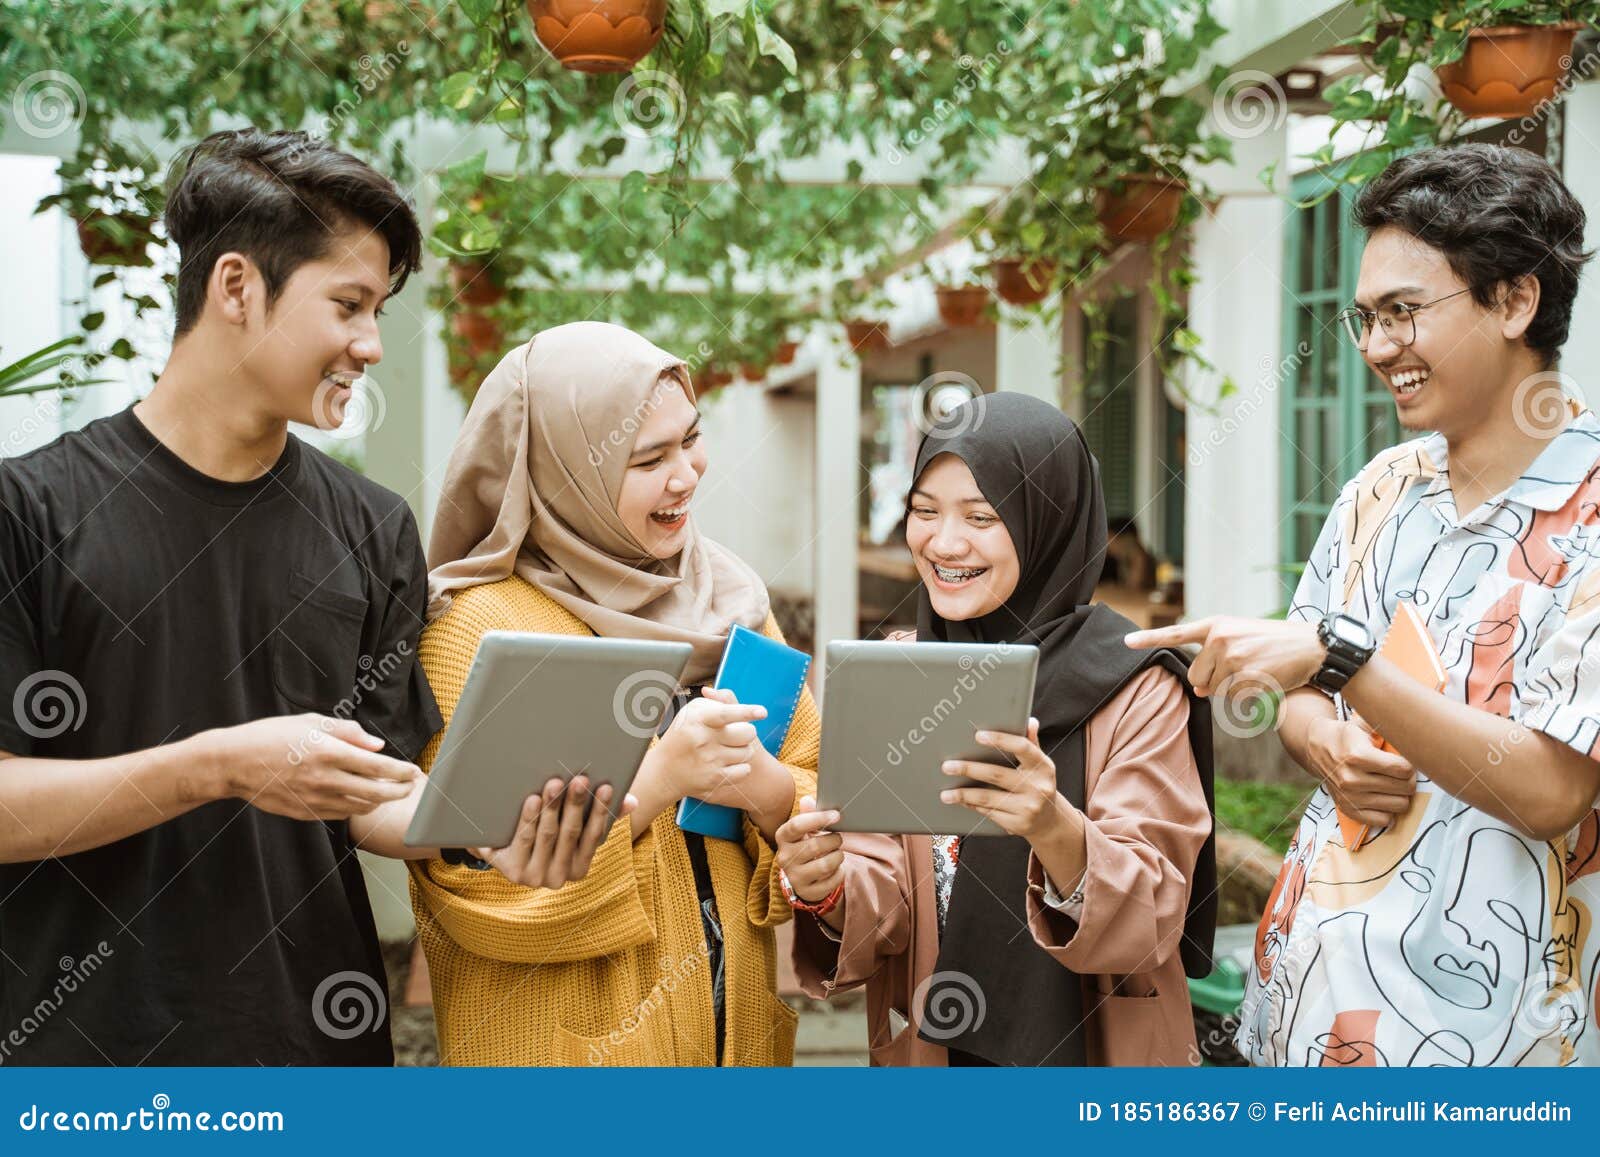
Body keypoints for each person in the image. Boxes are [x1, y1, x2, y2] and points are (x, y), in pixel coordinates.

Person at [0, 129, 613, 1067]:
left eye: (379, 311)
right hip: (78, 1051)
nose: (370, 344)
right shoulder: (30, 509)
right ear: (238, 288)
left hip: (315, 1042)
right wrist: (216, 765)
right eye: (349, 305)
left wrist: (488, 835)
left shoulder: (372, 529)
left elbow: (371, 793)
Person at [1128, 143, 1600, 1066]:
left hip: (1495, 1048)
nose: (1378, 346)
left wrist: (1344, 664)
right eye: (1365, 316)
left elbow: (1551, 789)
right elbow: (1306, 699)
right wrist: (1323, 741)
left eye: (1403, 312)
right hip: (1306, 1012)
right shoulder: (1380, 489)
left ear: (1515, 301)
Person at [408, 321, 818, 1066]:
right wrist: (661, 779)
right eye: (648, 458)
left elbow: (811, 779)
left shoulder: (729, 598)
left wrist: (771, 792)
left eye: (690, 440)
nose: (687, 474)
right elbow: (470, 889)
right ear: (564, 472)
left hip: (737, 1040)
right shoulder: (476, 630)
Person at [777, 391, 1215, 1066]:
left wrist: (1054, 828)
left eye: (982, 516)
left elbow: (1156, 909)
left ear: (1049, 520)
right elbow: (884, 890)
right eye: (924, 511)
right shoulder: (898, 670)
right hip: (938, 1056)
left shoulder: (1137, 683)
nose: (944, 543)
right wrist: (825, 883)